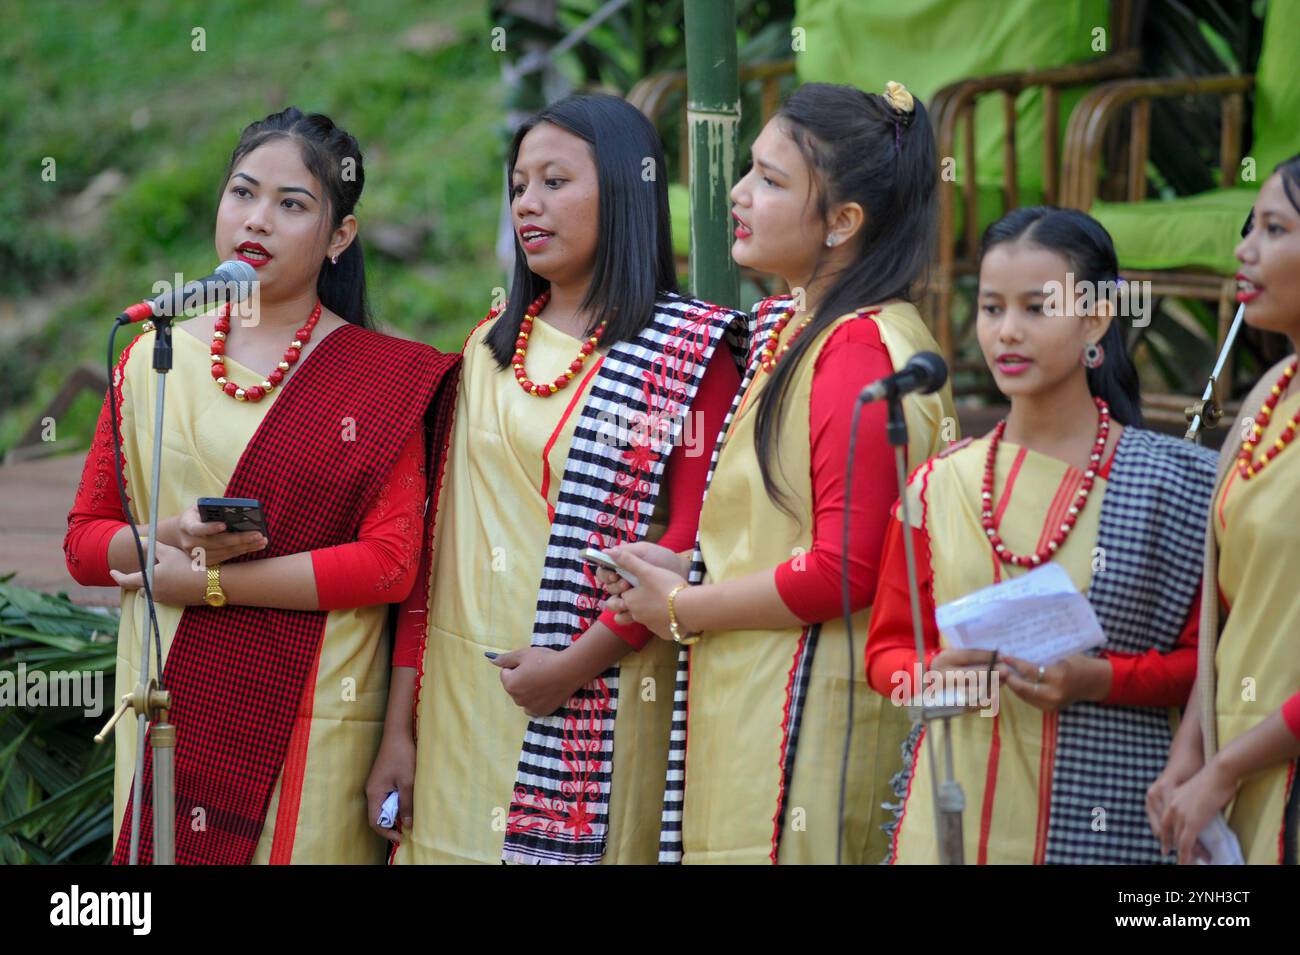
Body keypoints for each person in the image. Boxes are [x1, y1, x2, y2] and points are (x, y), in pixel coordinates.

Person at [63, 107, 459, 865]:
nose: (258, 220)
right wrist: (166, 538)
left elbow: (390, 563)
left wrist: (207, 583)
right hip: (164, 702)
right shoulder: (153, 358)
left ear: (340, 236)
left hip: (315, 720)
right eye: (242, 193)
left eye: (292, 204)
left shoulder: (381, 379)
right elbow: (86, 543)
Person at [373, 93, 745, 865]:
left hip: (602, 698)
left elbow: (691, 545)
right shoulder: (486, 347)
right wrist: (398, 728)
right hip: (458, 703)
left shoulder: (686, 352)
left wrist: (571, 666)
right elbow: (433, 551)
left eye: (554, 181)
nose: (527, 205)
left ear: (625, 190)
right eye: (517, 186)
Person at [600, 81, 956, 864]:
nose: (737, 192)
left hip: (806, 720)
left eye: (770, 179)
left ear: (842, 222)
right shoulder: (806, 326)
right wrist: (683, 566)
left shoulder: (856, 351)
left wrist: (683, 603)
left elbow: (843, 572)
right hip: (760, 695)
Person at [866, 206, 1217, 864]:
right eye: (992, 308)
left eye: (1036, 308)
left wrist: (1098, 680)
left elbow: (1210, 665)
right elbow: (886, 650)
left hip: (1104, 819)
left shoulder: (1171, 485)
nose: (1007, 332)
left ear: (1095, 319)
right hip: (946, 822)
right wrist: (932, 672)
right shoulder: (938, 485)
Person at [1150, 155, 1300, 865]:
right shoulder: (1273, 389)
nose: (1243, 250)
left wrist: (1226, 766)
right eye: (1250, 227)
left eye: (1274, 229)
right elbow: (1226, 606)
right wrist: (1192, 753)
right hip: (1237, 768)